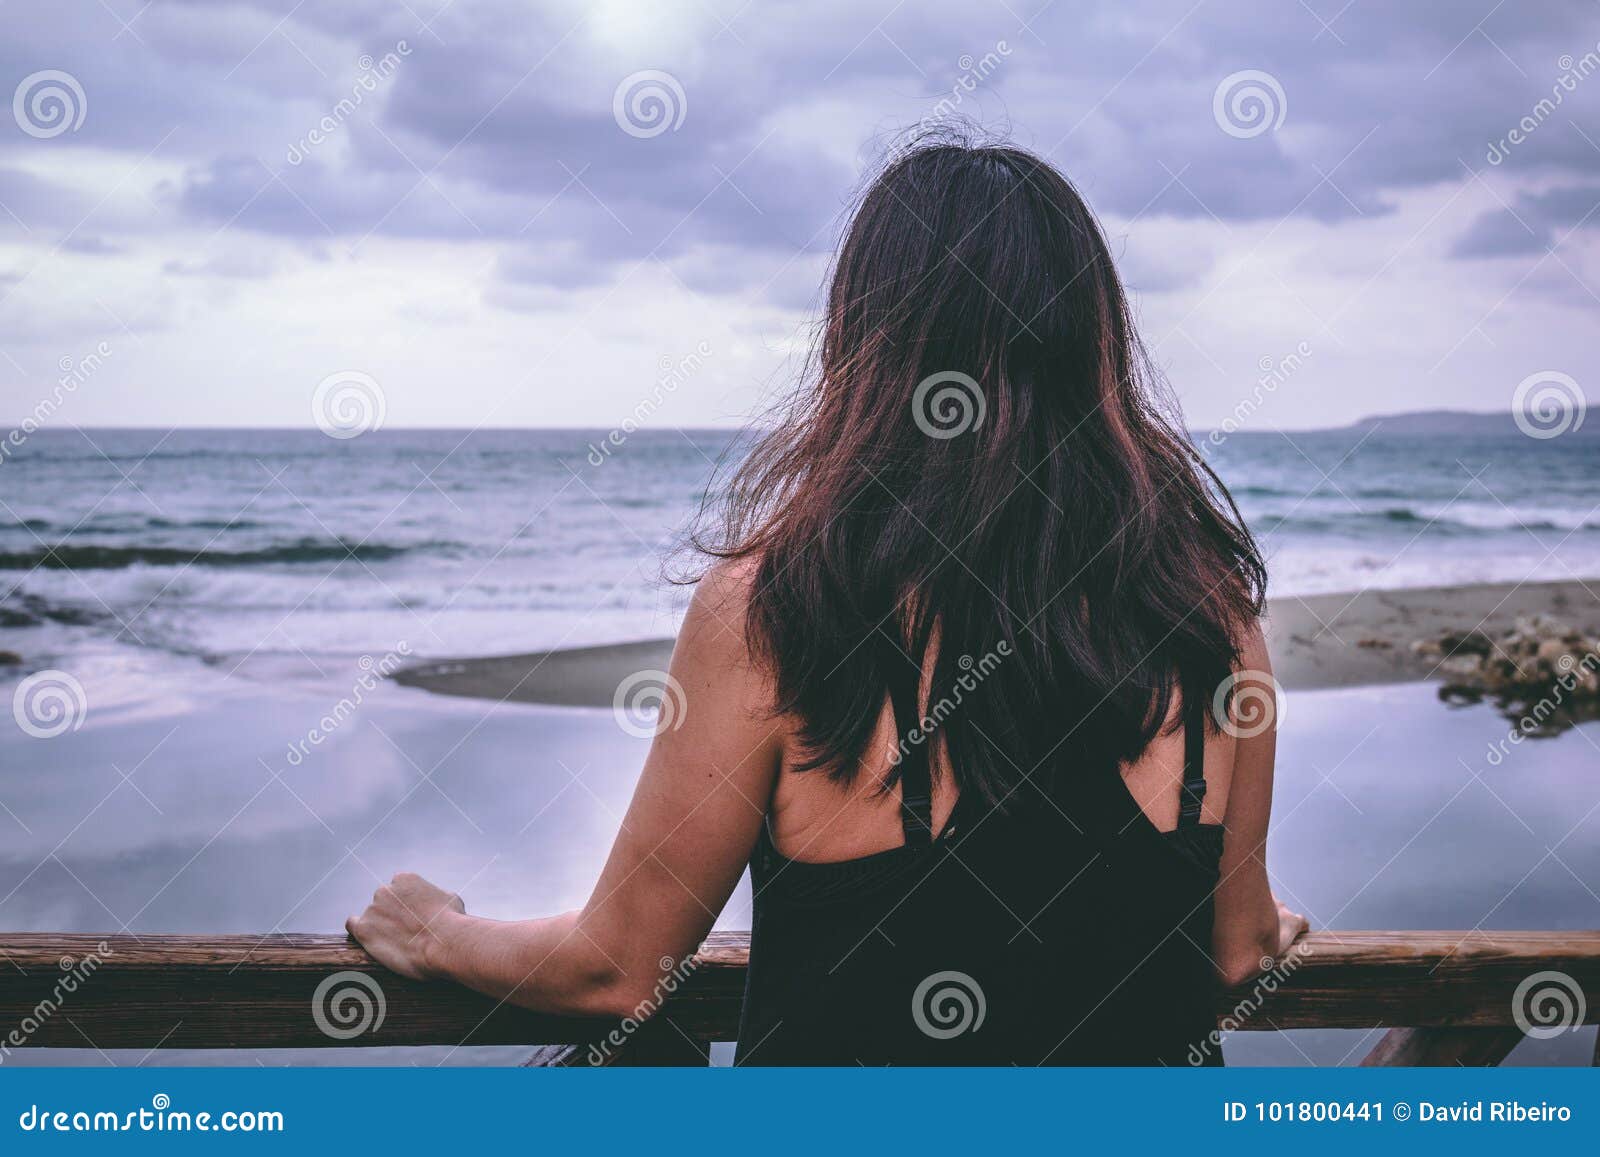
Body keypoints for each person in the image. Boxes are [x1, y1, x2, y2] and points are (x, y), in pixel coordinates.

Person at [348, 138, 1308, 1065]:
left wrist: (439, 935)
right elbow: (1235, 954)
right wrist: (1257, 921)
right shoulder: (1213, 623)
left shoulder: (777, 613)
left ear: (868, 346)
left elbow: (618, 966)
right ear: (1093, 350)